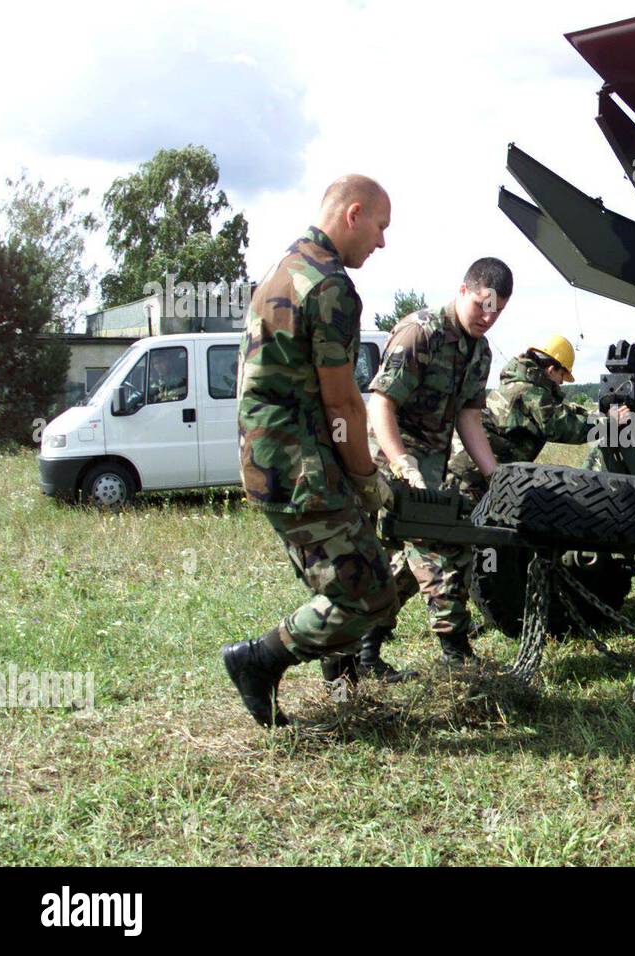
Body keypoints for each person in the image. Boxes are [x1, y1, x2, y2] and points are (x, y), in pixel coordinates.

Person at [224, 175, 396, 727]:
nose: (382, 241)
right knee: (370, 595)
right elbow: (342, 402)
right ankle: (258, 660)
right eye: (380, 226)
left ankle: (341, 681)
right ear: (353, 214)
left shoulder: (283, 268)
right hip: (304, 467)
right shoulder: (329, 285)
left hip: (269, 461)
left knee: (341, 576)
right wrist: (367, 479)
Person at [362, 258, 509, 670]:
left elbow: (468, 417)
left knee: (403, 564)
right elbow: (381, 404)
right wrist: (402, 464)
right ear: (463, 291)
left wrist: (494, 475)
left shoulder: (479, 352)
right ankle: (456, 654)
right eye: (482, 305)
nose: (488, 317)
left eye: (497, 311)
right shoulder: (420, 333)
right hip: (391, 465)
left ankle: (365, 650)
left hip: (430, 469)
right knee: (441, 550)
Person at [446, 334, 593, 503]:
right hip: (471, 481)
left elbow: (556, 410)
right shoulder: (529, 392)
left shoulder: (522, 385)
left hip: (475, 475)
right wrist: (607, 425)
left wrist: (591, 415)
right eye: (562, 375)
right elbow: (564, 426)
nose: (561, 383)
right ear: (551, 370)